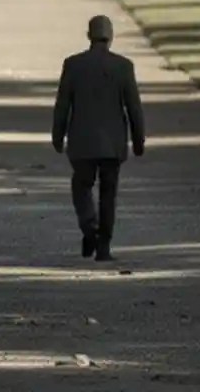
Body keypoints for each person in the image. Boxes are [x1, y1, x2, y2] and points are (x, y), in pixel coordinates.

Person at [52, 15, 145, 262]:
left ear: (88, 36)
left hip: (82, 142)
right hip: (112, 144)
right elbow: (133, 108)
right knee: (108, 193)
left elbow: (63, 105)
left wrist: (57, 135)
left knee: (81, 186)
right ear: (111, 36)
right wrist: (138, 140)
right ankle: (103, 246)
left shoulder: (73, 64)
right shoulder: (123, 66)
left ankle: (89, 228)